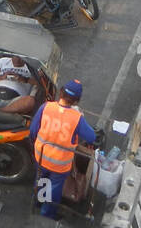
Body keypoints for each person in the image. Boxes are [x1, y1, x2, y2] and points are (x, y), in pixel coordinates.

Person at [30, 80, 98, 218]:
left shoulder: (46, 107)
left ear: (61, 92)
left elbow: (32, 131)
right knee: (54, 189)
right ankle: (47, 213)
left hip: (41, 157)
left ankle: (38, 202)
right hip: (59, 164)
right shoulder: (76, 118)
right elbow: (91, 137)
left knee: (41, 179)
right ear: (76, 100)